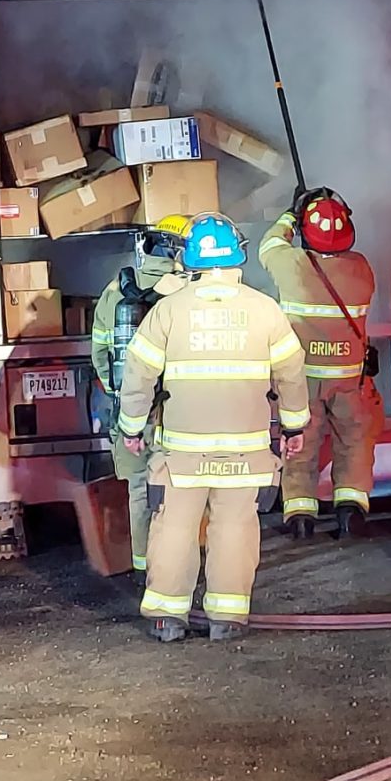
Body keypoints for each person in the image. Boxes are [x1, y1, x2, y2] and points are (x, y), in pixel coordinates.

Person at [115, 212, 310, 642]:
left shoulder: (168, 311)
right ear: (238, 256)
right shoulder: (266, 311)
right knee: (236, 525)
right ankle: (227, 618)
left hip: (183, 451)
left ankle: (168, 617)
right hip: (246, 449)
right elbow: (292, 373)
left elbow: (138, 372)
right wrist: (294, 427)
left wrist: (131, 426)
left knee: (174, 525)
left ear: (191, 259)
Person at [259, 187, 381, 540]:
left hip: (302, 379)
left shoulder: (292, 265)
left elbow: (269, 245)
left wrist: (290, 215)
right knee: (355, 442)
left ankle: (300, 515)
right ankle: (351, 510)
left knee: (300, 443)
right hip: (350, 379)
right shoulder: (362, 269)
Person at [90, 215, 191, 578]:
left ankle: (142, 567)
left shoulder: (116, 290)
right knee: (180, 492)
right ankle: (180, 567)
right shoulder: (187, 292)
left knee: (137, 488)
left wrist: (116, 391)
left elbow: (101, 352)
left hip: (129, 411)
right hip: (174, 412)